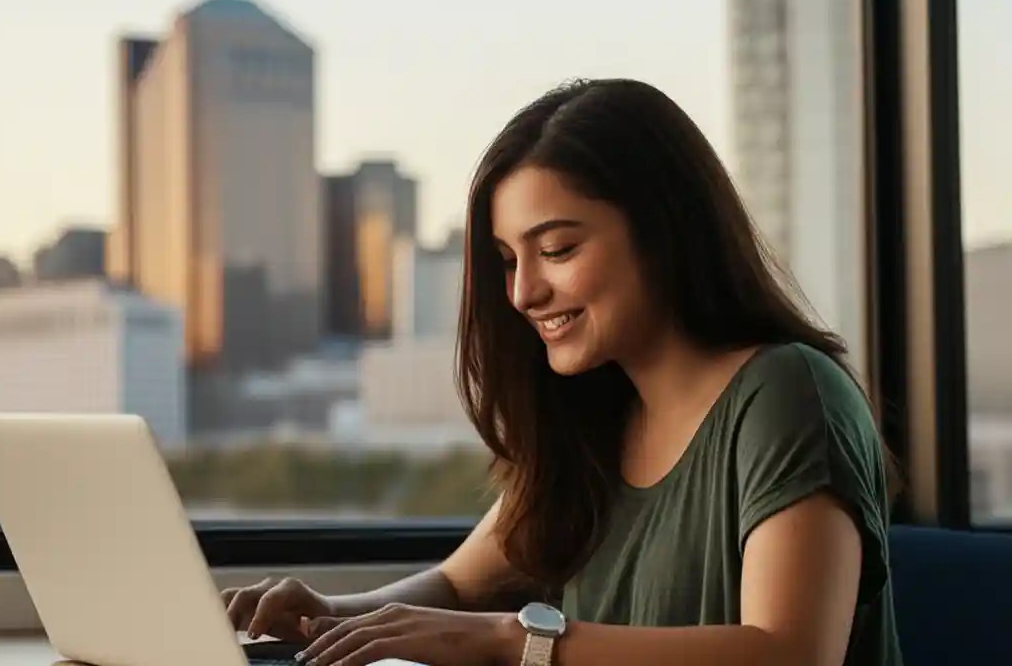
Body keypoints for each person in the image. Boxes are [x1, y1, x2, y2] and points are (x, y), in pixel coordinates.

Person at [222, 79, 902, 666]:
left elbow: (790, 653)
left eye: (556, 249)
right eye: (509, 260)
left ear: (664, 231)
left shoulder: (789, 393)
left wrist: (511, 642)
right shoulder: (591, 415)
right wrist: (329, 615)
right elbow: (457, 588)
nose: (522, 294)